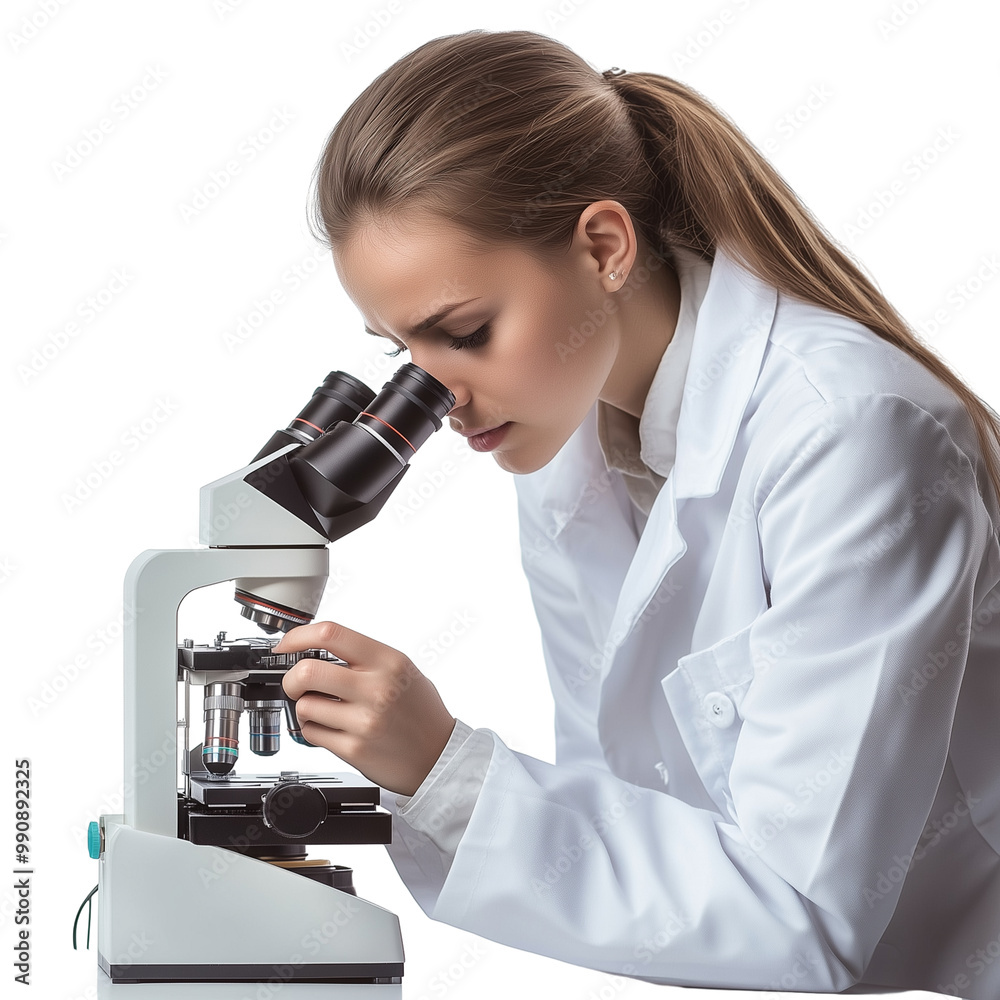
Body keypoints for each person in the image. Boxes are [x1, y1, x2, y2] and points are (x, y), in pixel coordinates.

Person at [274, 28, 1000, 997]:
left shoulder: (852, 432)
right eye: (400, 349)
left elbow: (801, 919)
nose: (435, 398)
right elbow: (629, 817)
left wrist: (446, 770)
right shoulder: (568, 445)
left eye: (463, 331)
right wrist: (426, 773)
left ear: (604, 247)